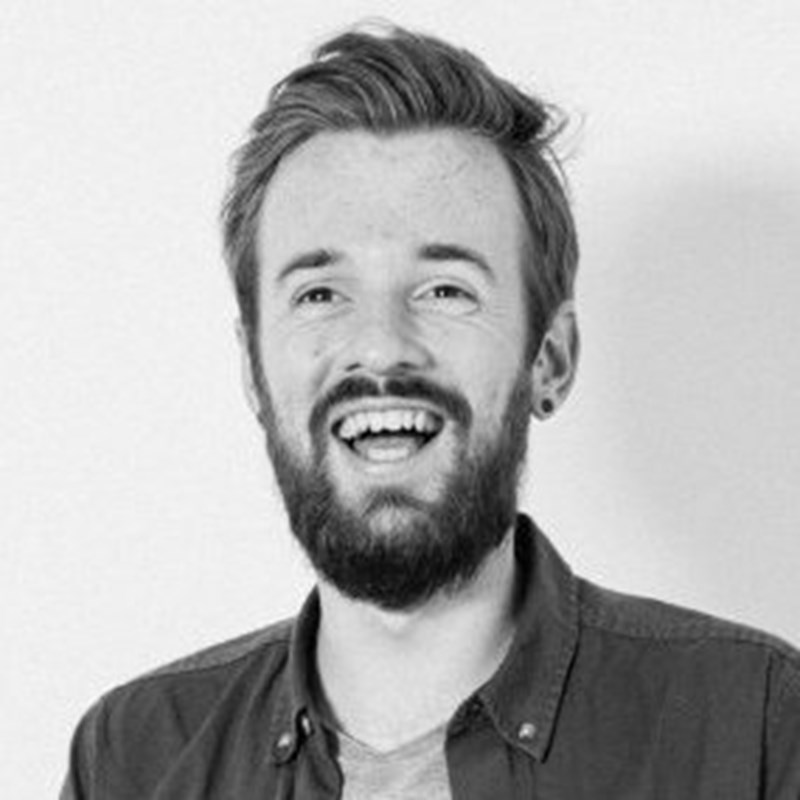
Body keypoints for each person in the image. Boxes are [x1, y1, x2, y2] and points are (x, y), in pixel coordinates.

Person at [61, 23, 800, 799]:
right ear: (253, 368)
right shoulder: (132, 759)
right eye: (320, 294)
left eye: (446, 290)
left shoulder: (756, 726)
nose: (382, 348)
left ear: (550, 359)